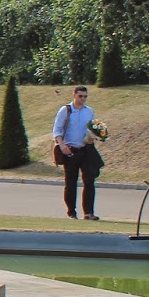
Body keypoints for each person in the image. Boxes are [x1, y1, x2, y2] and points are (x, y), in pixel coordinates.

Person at [53, 86, 103, 220]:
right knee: (71, 183)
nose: (83, 99)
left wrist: (94, 136)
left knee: (89, 181)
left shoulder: (89, 111)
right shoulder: (66, 110)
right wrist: (62, 145)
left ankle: (88, 212)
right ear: (74, 95)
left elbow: (93, 128)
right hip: (70, 151)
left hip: (85, 149)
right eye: (80, 96)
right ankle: (71, 212)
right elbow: (57, 130)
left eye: (85, 96)